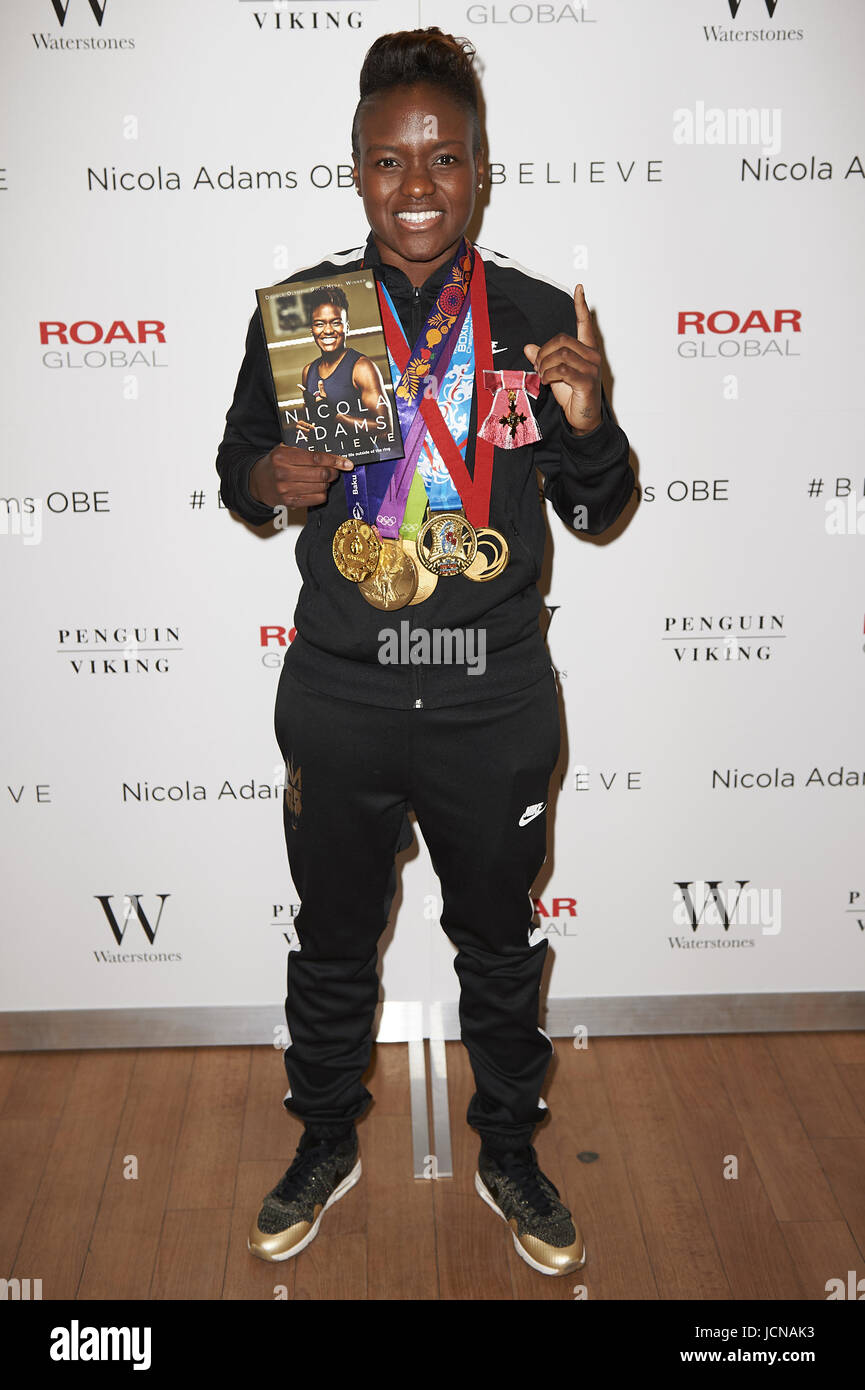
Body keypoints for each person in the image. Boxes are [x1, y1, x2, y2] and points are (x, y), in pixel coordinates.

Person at [216, 26, 634, 1279]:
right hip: (339, 691)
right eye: (389, 160)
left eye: (443, 158)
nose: (416, 187)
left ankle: (508, 1142)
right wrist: (269, 479)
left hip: (490, 693)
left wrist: (592, 421)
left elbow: (598, 508)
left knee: (497, 943)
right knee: (333, 936)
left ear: (481, 168)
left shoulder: (539, 321)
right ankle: (325, 1137)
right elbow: (237, 471)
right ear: (354, 169)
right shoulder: (300, 318)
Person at [293, 285, 395, 461]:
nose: (328, 330)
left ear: (346, 327)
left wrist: (335, 417)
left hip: (363, 469)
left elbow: (385, 430)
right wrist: (305, 429)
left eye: (336, 322)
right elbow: (313, 423)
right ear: (312, 330)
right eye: (319, 324)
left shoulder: (361, 367)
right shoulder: (308, 371)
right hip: (327, 469)